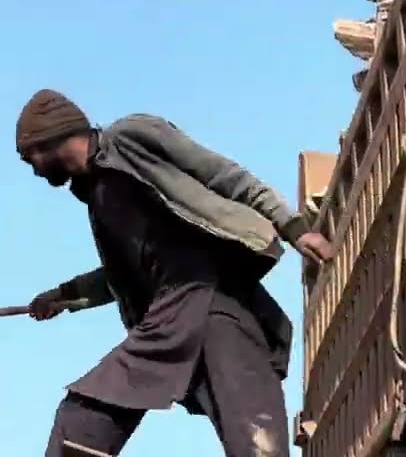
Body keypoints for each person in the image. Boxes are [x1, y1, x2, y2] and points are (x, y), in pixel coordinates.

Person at [14, 89, 336, 457]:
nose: (33, 169)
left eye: (29, 157)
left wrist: (293, 228)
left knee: (256, 442)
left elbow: (223, 174)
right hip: (168, 319)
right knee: (80, 421)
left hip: (216, 302)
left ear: (48, 139)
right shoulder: (99, 197)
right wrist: (62, 297)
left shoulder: (130, 137)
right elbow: (123, 276)